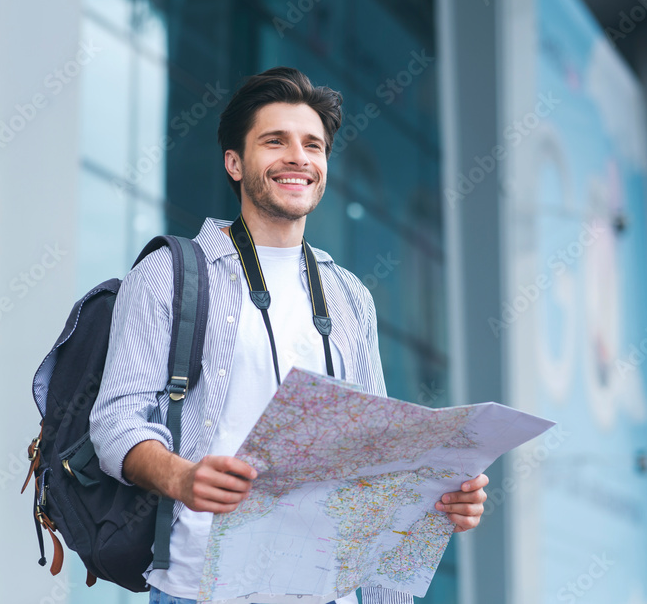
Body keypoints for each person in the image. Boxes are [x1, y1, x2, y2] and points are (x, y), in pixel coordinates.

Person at [89, 67, 489, 604]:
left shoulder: (350, 297)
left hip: (332, 589)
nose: (298, 157)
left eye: (313, 145)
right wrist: (181, 478)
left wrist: (440, 499)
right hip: (204, 587)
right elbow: (115, 420)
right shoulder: (171, 273)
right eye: (274, 141)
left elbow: (377, 453)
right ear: (234, 163)